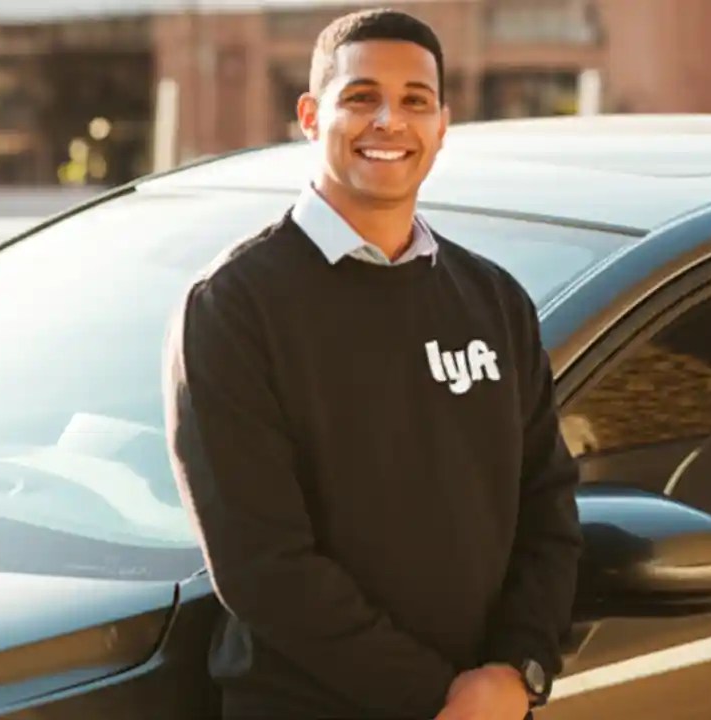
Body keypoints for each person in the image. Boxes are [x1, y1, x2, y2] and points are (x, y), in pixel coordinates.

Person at [161, 8, 582, 720]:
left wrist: (518, 669)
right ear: (308, 115)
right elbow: (264, 566)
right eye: (360, 97)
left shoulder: (495, 303)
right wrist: (441, 698)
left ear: (443, 124)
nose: (390, 119)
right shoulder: (234, 307)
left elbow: (548, 507)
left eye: (415, 100)